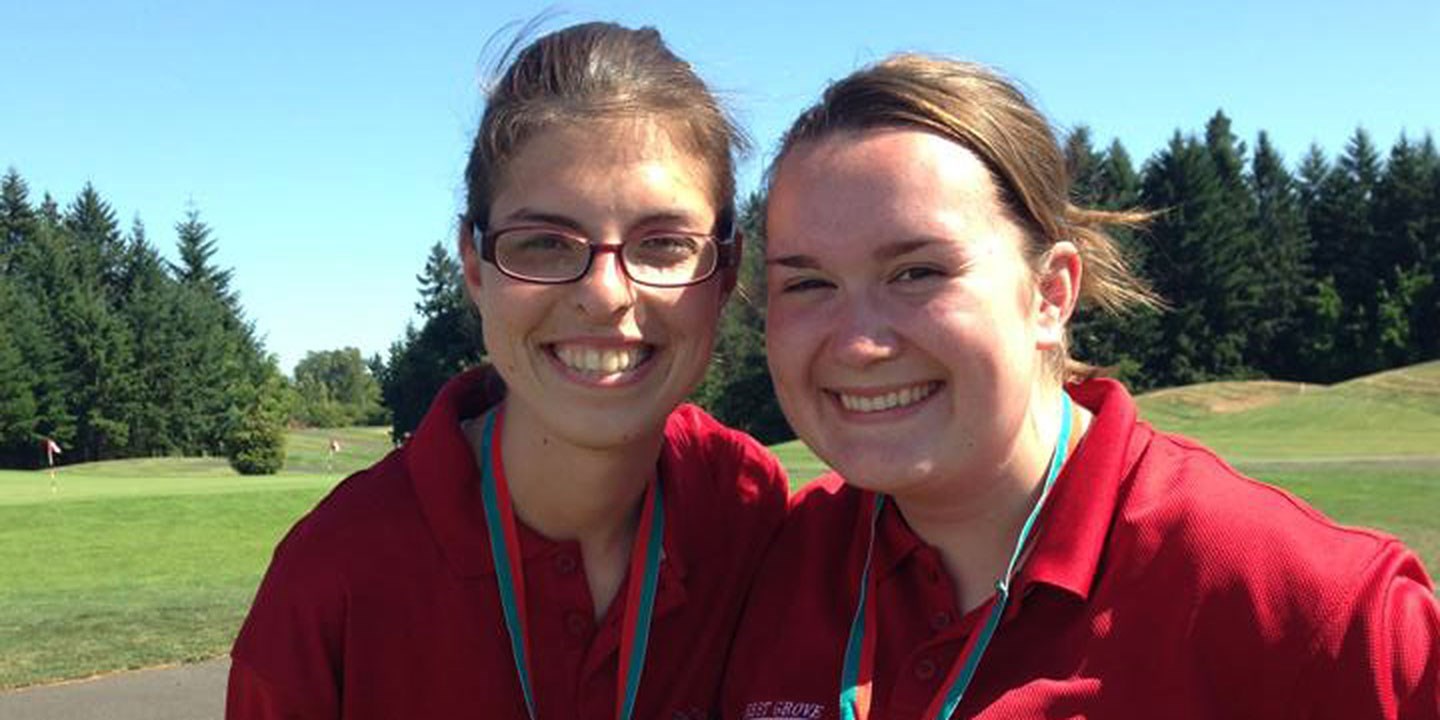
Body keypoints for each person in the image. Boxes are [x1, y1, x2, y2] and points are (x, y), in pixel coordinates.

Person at [723, 55, 1439, 719]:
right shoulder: (775, 562)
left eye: (918, 273)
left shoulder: (1307, 603)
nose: (857, 342)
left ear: (1050, 293)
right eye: (809, 283)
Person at [228, 22, 787, 719]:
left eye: (664, 243)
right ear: (473, 265)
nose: (607, 293)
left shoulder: (748, 510)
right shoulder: (333, 575)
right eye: (546, 243)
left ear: (726, 271)